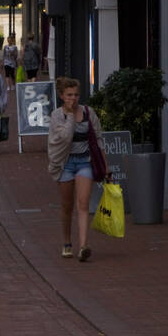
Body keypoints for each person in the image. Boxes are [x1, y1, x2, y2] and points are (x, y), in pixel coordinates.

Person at [47, 77, 102, 262]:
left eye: (76, 95)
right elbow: (64, 138)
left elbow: (99, 139)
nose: (74, 98)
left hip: (84, 162)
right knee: (67, 206)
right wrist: (70, 115)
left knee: (83, 203)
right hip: (65, 164)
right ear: (62, 96)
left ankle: (84, 246)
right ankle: (67, 243)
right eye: (69, 95)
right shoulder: (57, 116)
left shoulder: (89, 112)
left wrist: (106, 166)